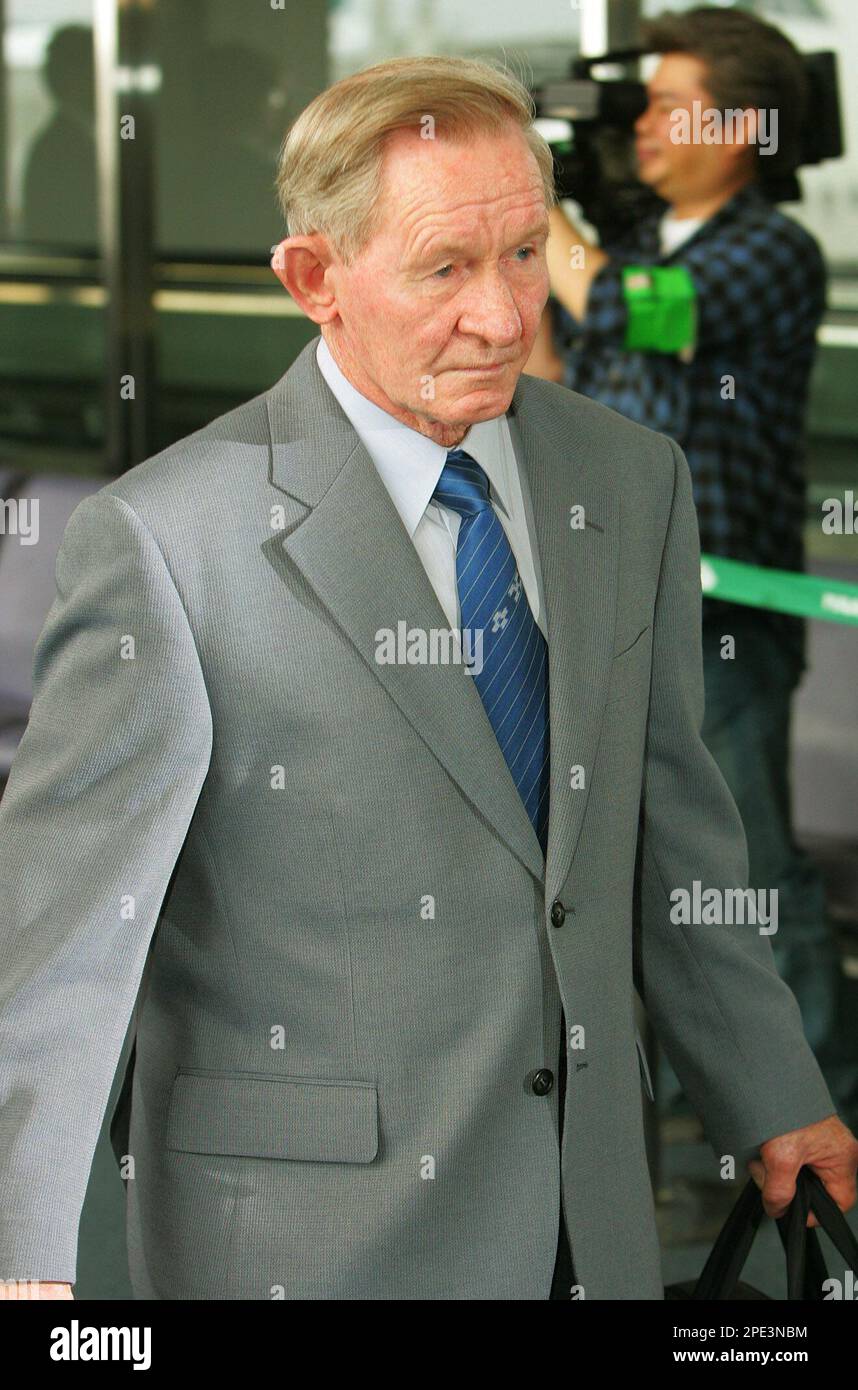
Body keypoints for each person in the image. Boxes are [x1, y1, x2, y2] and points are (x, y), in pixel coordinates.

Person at [0, 54, 855, 1303]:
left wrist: (775, 1097)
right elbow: (64, 944)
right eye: (446, 268)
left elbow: (674, 840)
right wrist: (24, 1260)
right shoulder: (166, 543)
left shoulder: (628, 481)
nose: (505, 317)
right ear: (314, 280)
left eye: (522, 254)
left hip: (592, 1227)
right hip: (307, 1243)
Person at [528, 6, 845, 1099]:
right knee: (613, 867)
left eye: (671, 104)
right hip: (604, 597)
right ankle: (668, 1108)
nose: (646, 126)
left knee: (744, 867)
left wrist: (536, 199)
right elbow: (561, 365)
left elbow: (634, 311)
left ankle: (815, 1124)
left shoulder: (770, 249)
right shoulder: (632, 241)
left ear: (745, 127)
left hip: (721, 621)